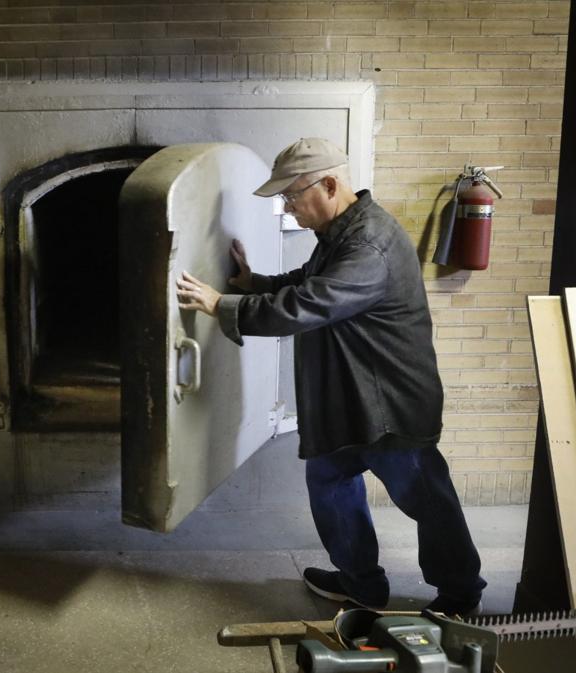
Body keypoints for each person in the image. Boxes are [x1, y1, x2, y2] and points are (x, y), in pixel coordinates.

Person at [175, 137, 486, 615]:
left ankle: (461, 595)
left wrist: (223, 305)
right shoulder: (343, 234)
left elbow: (310, 304)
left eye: (292, 196)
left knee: (427, 500)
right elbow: (307, 282)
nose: (288, 206)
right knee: (331, 484)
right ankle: (361, 583)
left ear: (329, 185)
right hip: (348, 399)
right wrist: (252, 284)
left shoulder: (369, 244)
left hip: (389, 405)